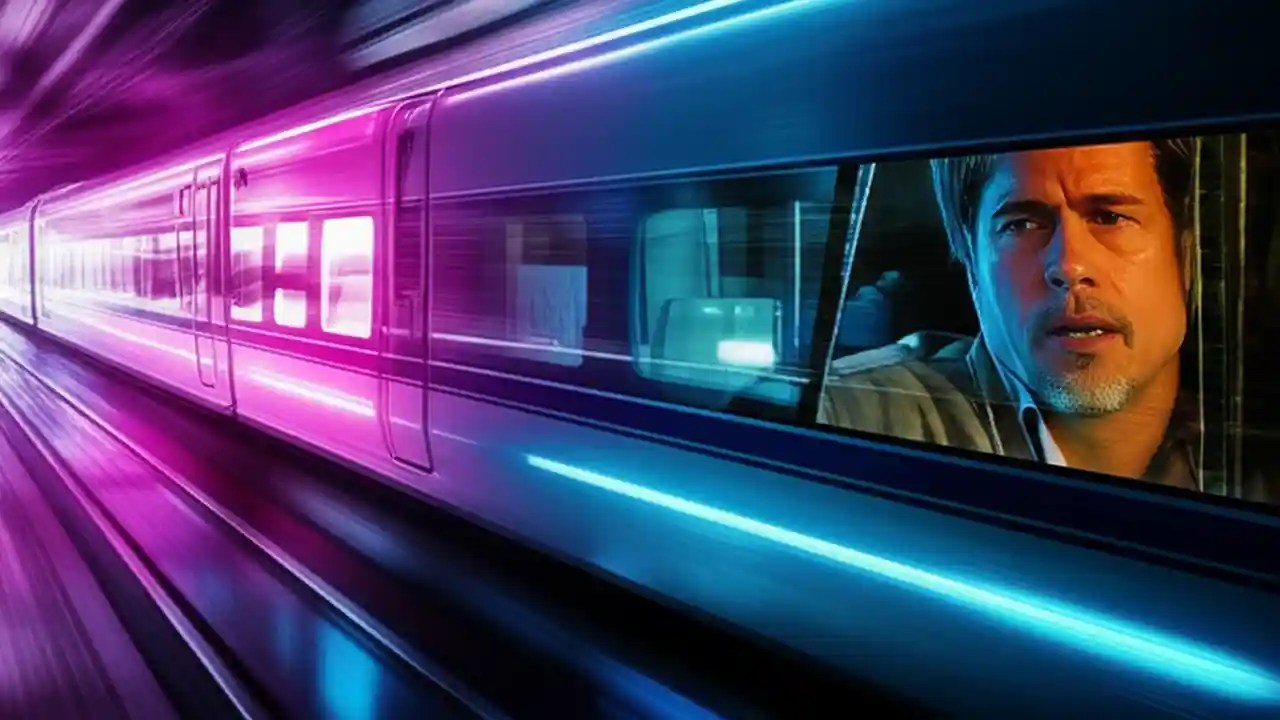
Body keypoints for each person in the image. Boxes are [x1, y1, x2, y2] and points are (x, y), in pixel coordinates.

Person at [819, 140, 1199, 488]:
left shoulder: (1243, 452)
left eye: (1110, 217)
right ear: (970, 257)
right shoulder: (848, 419)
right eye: (1022, 225)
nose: (1069, 266)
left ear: (1186, 250)